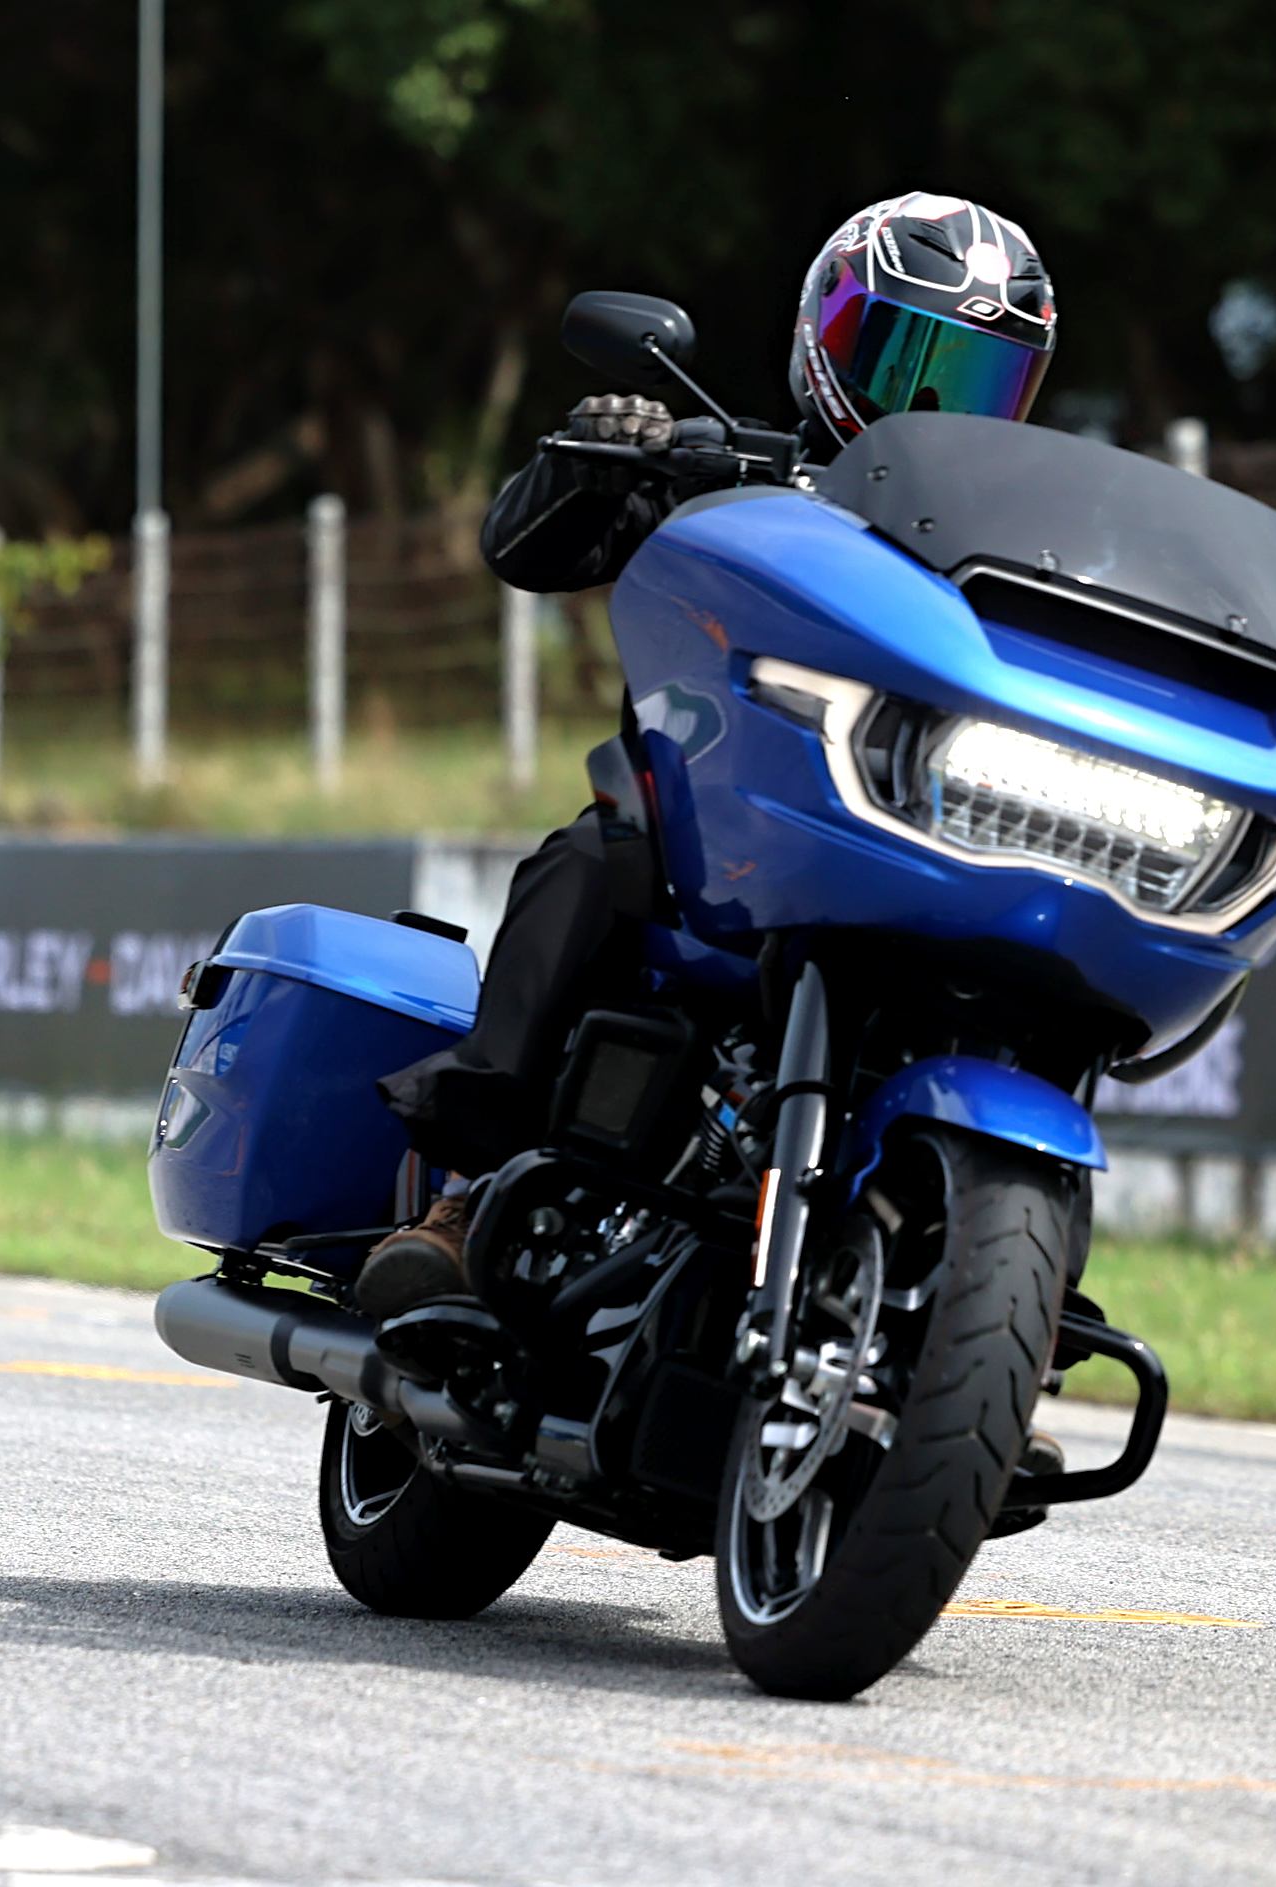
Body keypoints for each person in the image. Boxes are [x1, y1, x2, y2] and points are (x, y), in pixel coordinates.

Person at [354, 191, 1061, 1320]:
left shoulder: (1031, 554)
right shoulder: (732, 478)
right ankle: (463, 1197)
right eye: (900, 356)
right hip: (736, 832)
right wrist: (601, 457)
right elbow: (525, 552)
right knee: (595, 855)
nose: (928, 401)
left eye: (974, 378)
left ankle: (993, 1290)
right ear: (821, 338)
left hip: (928, 844)